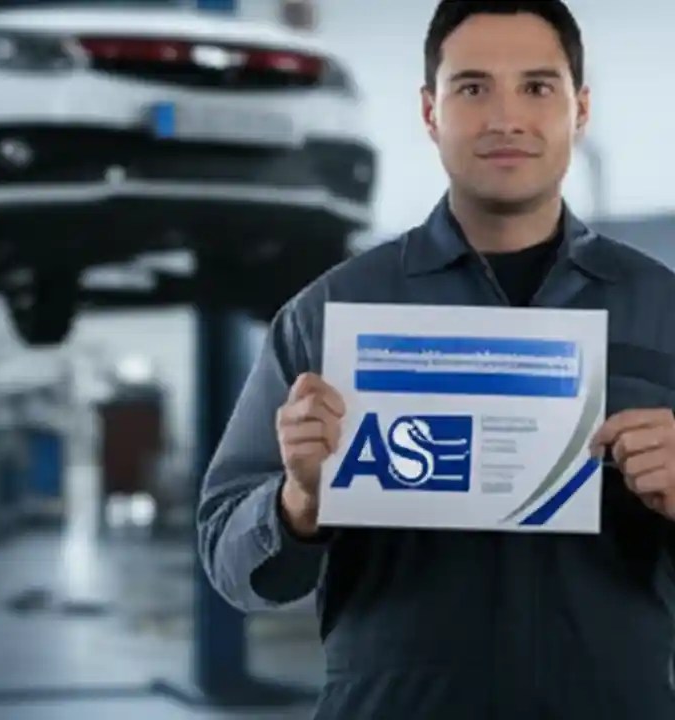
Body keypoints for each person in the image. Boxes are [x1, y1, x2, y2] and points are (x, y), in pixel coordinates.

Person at [197, 2, 675, 719]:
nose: (506, 117)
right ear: (431, 111)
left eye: (537, 87)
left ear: (579, 109)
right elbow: (229, 562)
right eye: (473, 87)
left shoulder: (663, 312)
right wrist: (298, 503)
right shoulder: (329, 315)